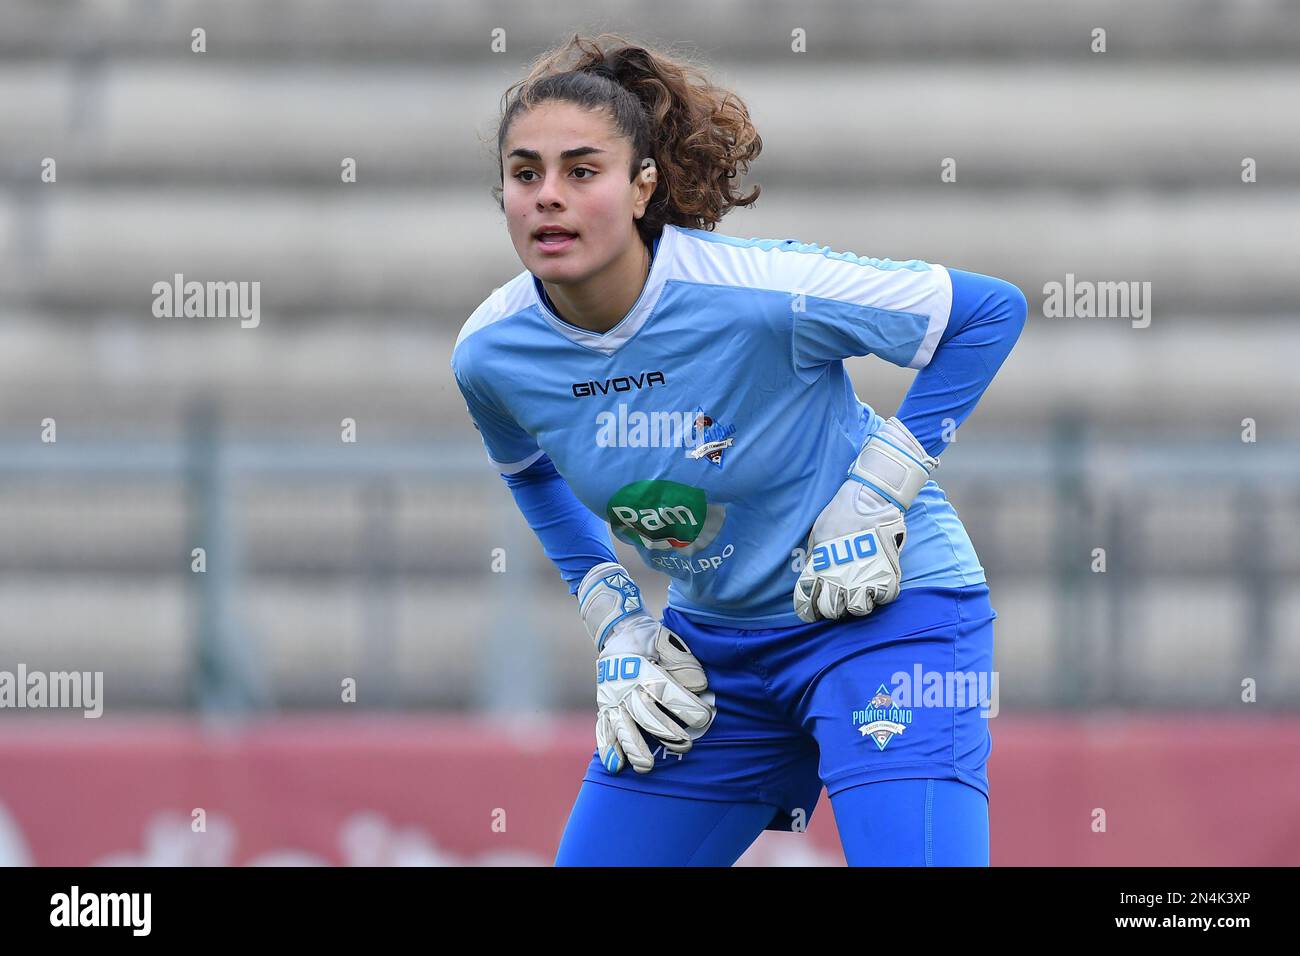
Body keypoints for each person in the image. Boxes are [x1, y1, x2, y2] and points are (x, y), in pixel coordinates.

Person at [451, 33, 1027, 866]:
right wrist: (612, 617)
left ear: (643, 185)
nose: (549, 197)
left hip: (887, 622)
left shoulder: (760, 292)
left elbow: (987, 313)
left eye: (583, 171)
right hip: (713, 656)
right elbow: (530, 474)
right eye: (525, 174)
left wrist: (874, 495)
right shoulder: (490, 356)